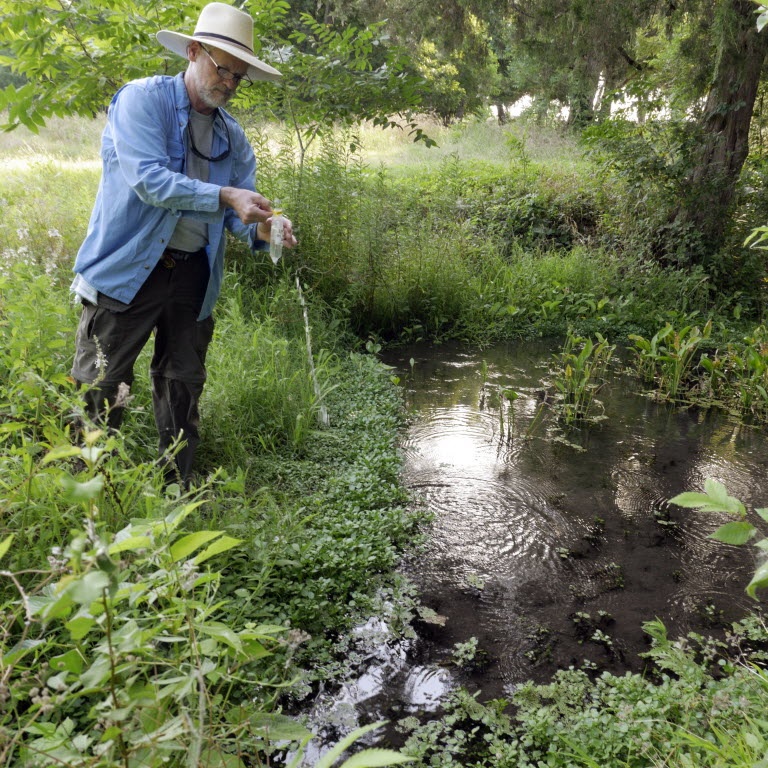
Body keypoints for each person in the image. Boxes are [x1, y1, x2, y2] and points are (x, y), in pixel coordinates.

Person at [70, 2, 296, 483]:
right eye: (222, 69)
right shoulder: (141, 101)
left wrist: (261, 228)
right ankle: (85, 492)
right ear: (193, 52)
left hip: (193, 274)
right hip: (127, 268)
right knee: (101, 384)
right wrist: (226, 195)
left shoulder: (233, 138)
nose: (229, 84)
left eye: (239, 77)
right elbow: (149, 181)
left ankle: (177, 488)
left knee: (183, 385)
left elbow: (237, 214)